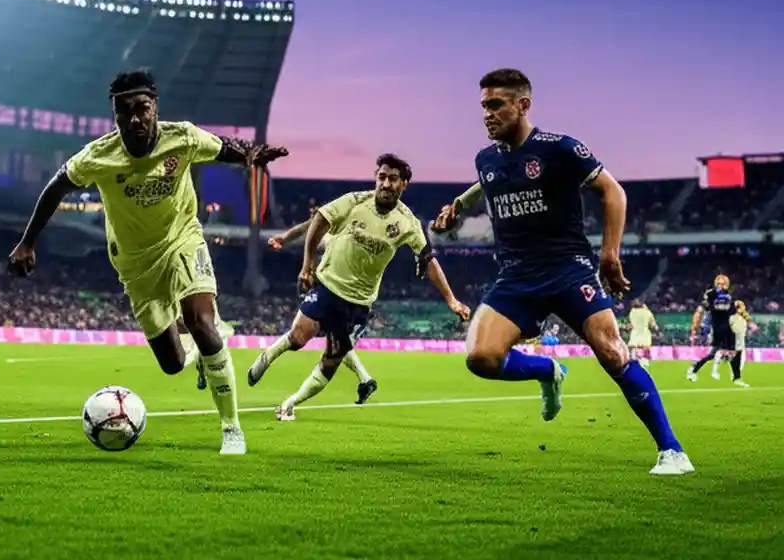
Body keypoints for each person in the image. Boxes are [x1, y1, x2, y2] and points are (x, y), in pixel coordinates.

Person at [7, 69, 288, 455]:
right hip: (135, 262)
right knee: (173, 363)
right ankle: (201, 356)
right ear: (115, 116)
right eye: (125, 111)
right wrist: (27, 242)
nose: (135, 118)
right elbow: (56, 187)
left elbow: (224, 147)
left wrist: (250, 155)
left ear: (155, 107)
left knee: (201, 323)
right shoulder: (97, 156)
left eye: (142, 108)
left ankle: (231, 429)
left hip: (182, 239)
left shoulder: (183, 137)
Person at [433, 68, 692, 475]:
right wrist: (456, 210)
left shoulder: (560, 149)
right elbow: (484, 183)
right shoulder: (485, 159)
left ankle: (672, 450)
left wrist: (610, 255)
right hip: (516, 277)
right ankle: (549, 370)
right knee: (480, 358)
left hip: (569, 270)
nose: (487, 114)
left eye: (497, 104)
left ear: (523, 105)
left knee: (612, 352)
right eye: (484, 106)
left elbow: (613, 191)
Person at [266, 154, 471, 420]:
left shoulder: (405, 222)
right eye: (381, 177)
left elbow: (428, 258)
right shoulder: (351, 205)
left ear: (403, 184)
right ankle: (361, 379)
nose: (385, 183)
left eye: (392, 178)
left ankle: (321, 392)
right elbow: (315, 221)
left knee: (336, 347)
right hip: (330, 285)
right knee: (327, 339)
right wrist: (287, 238)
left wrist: (451, 299)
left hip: (359, 298)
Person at [260, 209, 380, 403]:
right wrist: (285, 238)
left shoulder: (345, 232)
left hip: (349, 300)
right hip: (336, 296)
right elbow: (309, 229)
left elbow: (308, 229)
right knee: (339, 343)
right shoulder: (337, 230)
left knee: (339, 344)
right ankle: (366, 379)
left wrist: (286, 238)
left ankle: (365, 379)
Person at [686, 275, 737, 383]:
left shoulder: (728, 296)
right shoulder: (711, 294)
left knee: (723, 353)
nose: (721, 286)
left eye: (723, 283)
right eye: (719, 283)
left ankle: (697, 369)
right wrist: (697, 325)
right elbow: (705, 307)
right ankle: (695, 369)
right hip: (717, 327)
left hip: (726, 326)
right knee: (714, 354)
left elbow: (732, 311)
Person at [624, 298, 658, 368]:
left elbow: (630, 324)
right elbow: (653, 325)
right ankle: (646, 362)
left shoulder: (632, 312)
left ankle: (630, 362)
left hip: (635, 333)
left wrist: (627, 328)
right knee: (646, 348)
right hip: (644, 333)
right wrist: (657, 330)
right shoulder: (647, 312)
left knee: (631, 348)